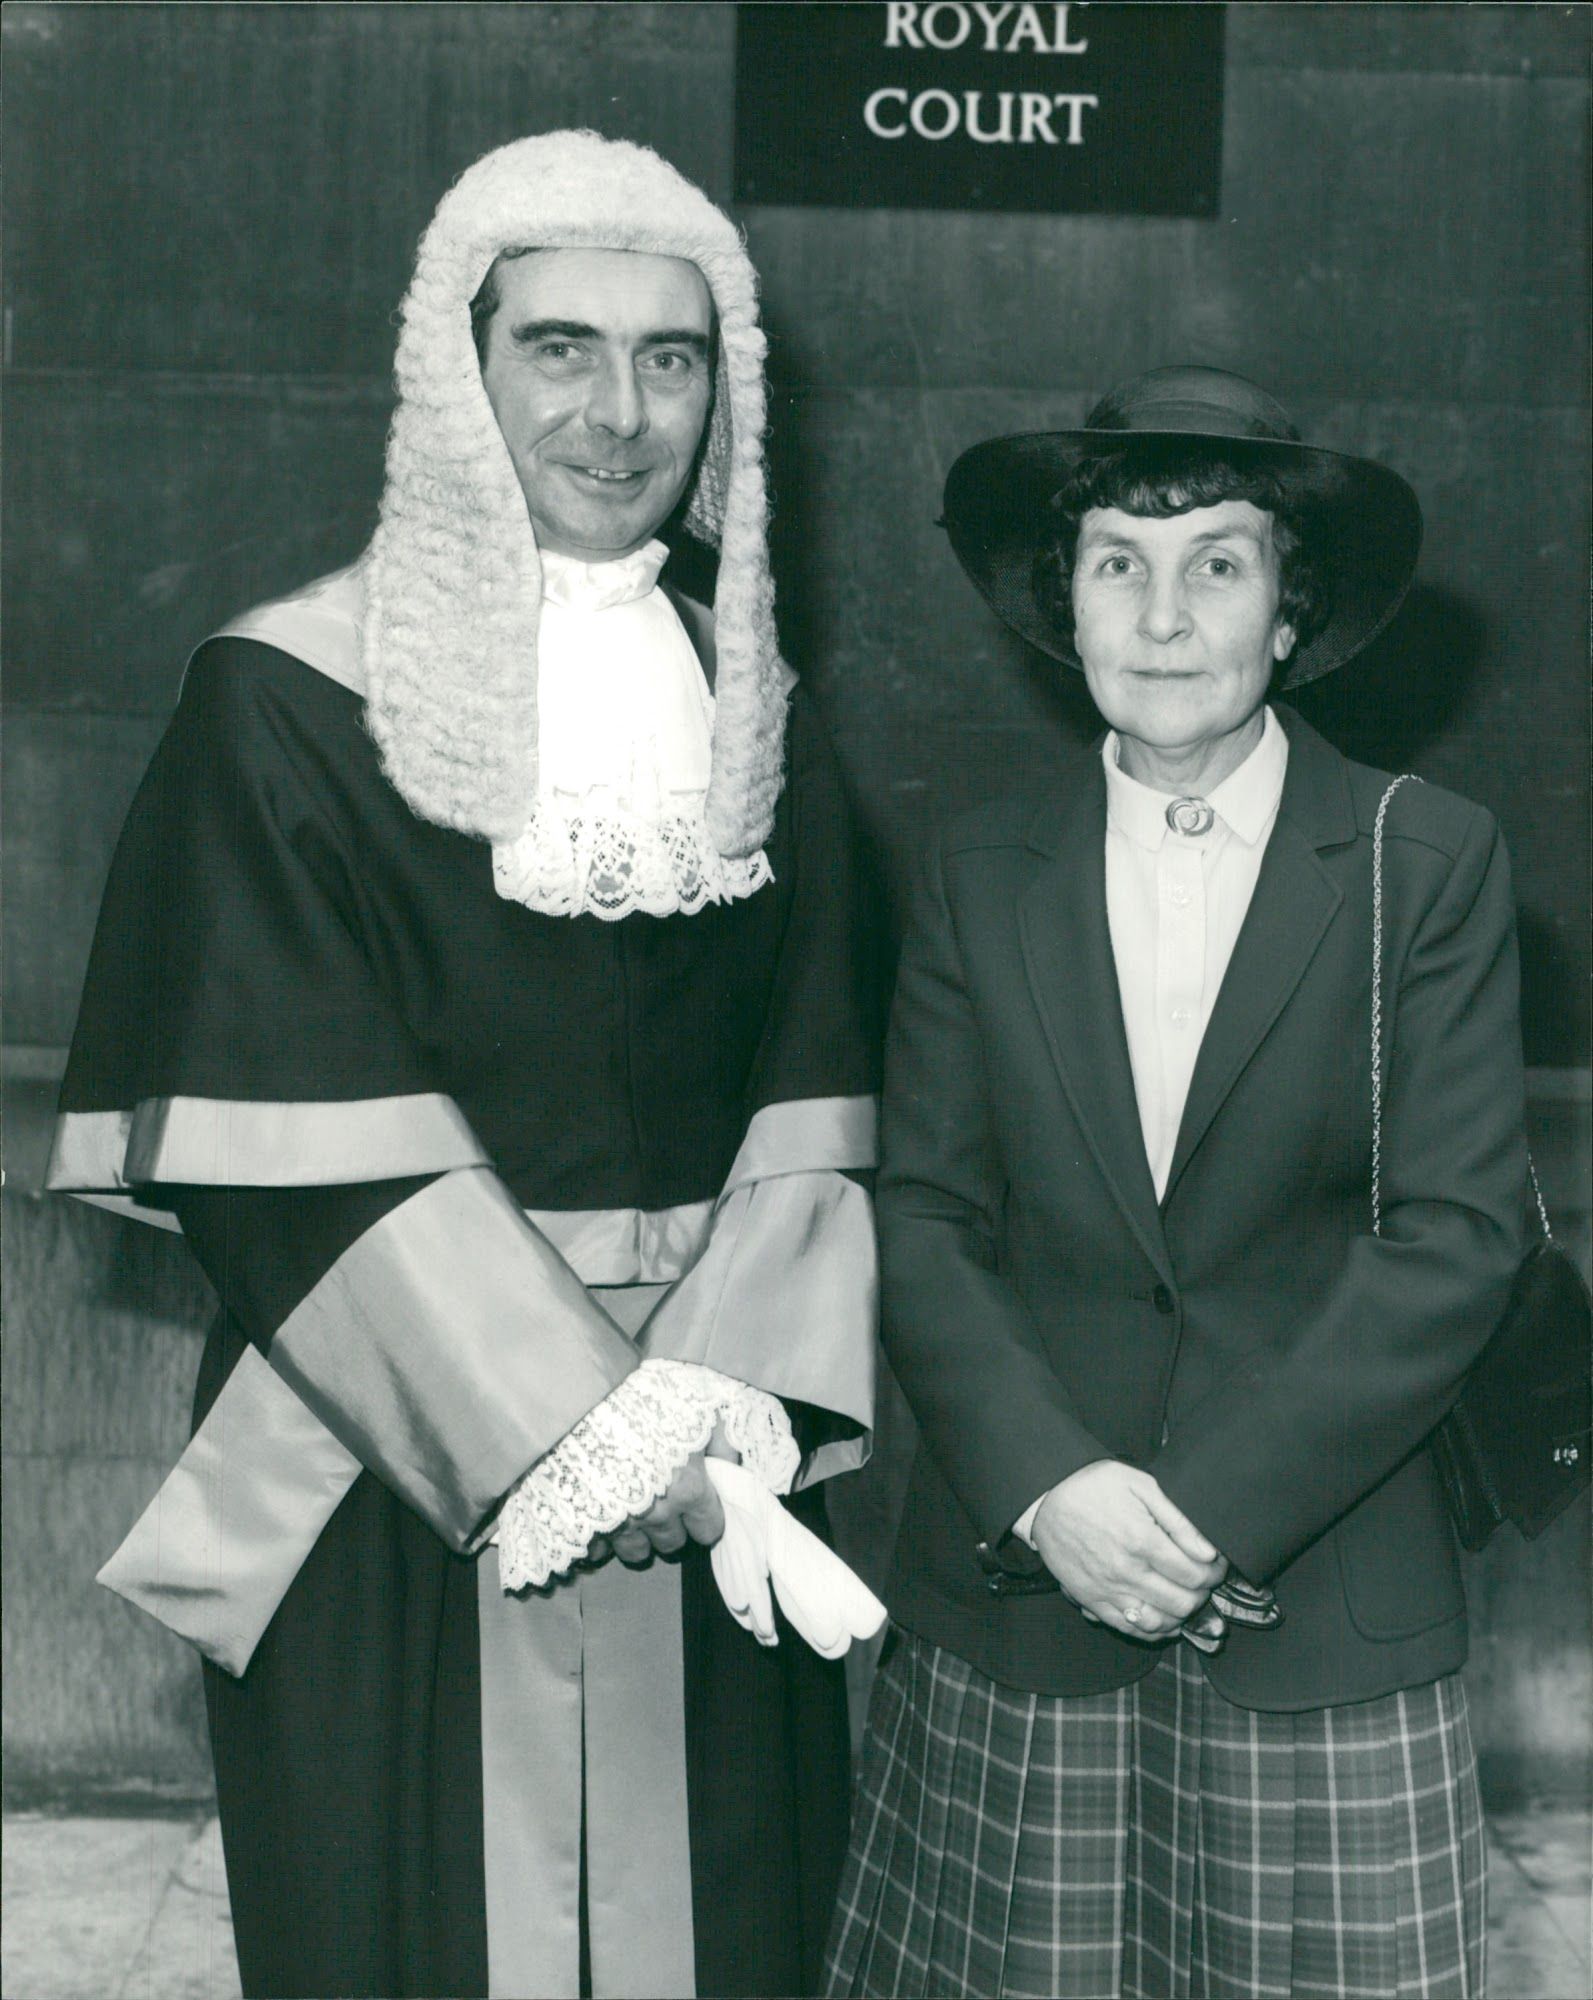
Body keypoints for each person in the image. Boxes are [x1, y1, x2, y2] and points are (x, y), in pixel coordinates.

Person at [48, 131, 882, 2000]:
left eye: (672, 358)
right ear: (458, 369)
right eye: (560, 349)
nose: (619, 410)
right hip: (388, 1458)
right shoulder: (277, 697)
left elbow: (816, 1089)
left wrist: (718, 1408)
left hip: (718, 1444)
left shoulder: (755, 707)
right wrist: (590, 1435)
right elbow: (290, 1118)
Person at [826, 366, 1526, 1999]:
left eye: (1217, 563)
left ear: (1289, 611)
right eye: (1114, 566)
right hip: (1026, 1581)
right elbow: (923, 1211)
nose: (1160, 616)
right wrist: (1051, 1486)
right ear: (1058, 610)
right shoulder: (975, 865)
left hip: (1317, 1586)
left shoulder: (1423, 858)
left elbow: (1456, 1237)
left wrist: (1208, 1516)